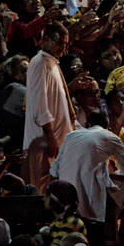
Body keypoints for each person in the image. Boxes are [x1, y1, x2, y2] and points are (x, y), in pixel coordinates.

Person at [23, 24, 78, 188]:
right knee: (41, 185)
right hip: (45, 140)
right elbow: (40, 106)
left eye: (66, 43)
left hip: (57, 139)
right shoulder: (39, 63)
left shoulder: (52, 63)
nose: (63, 48)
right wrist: (51, 137)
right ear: (45, 40)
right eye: (59, 42)